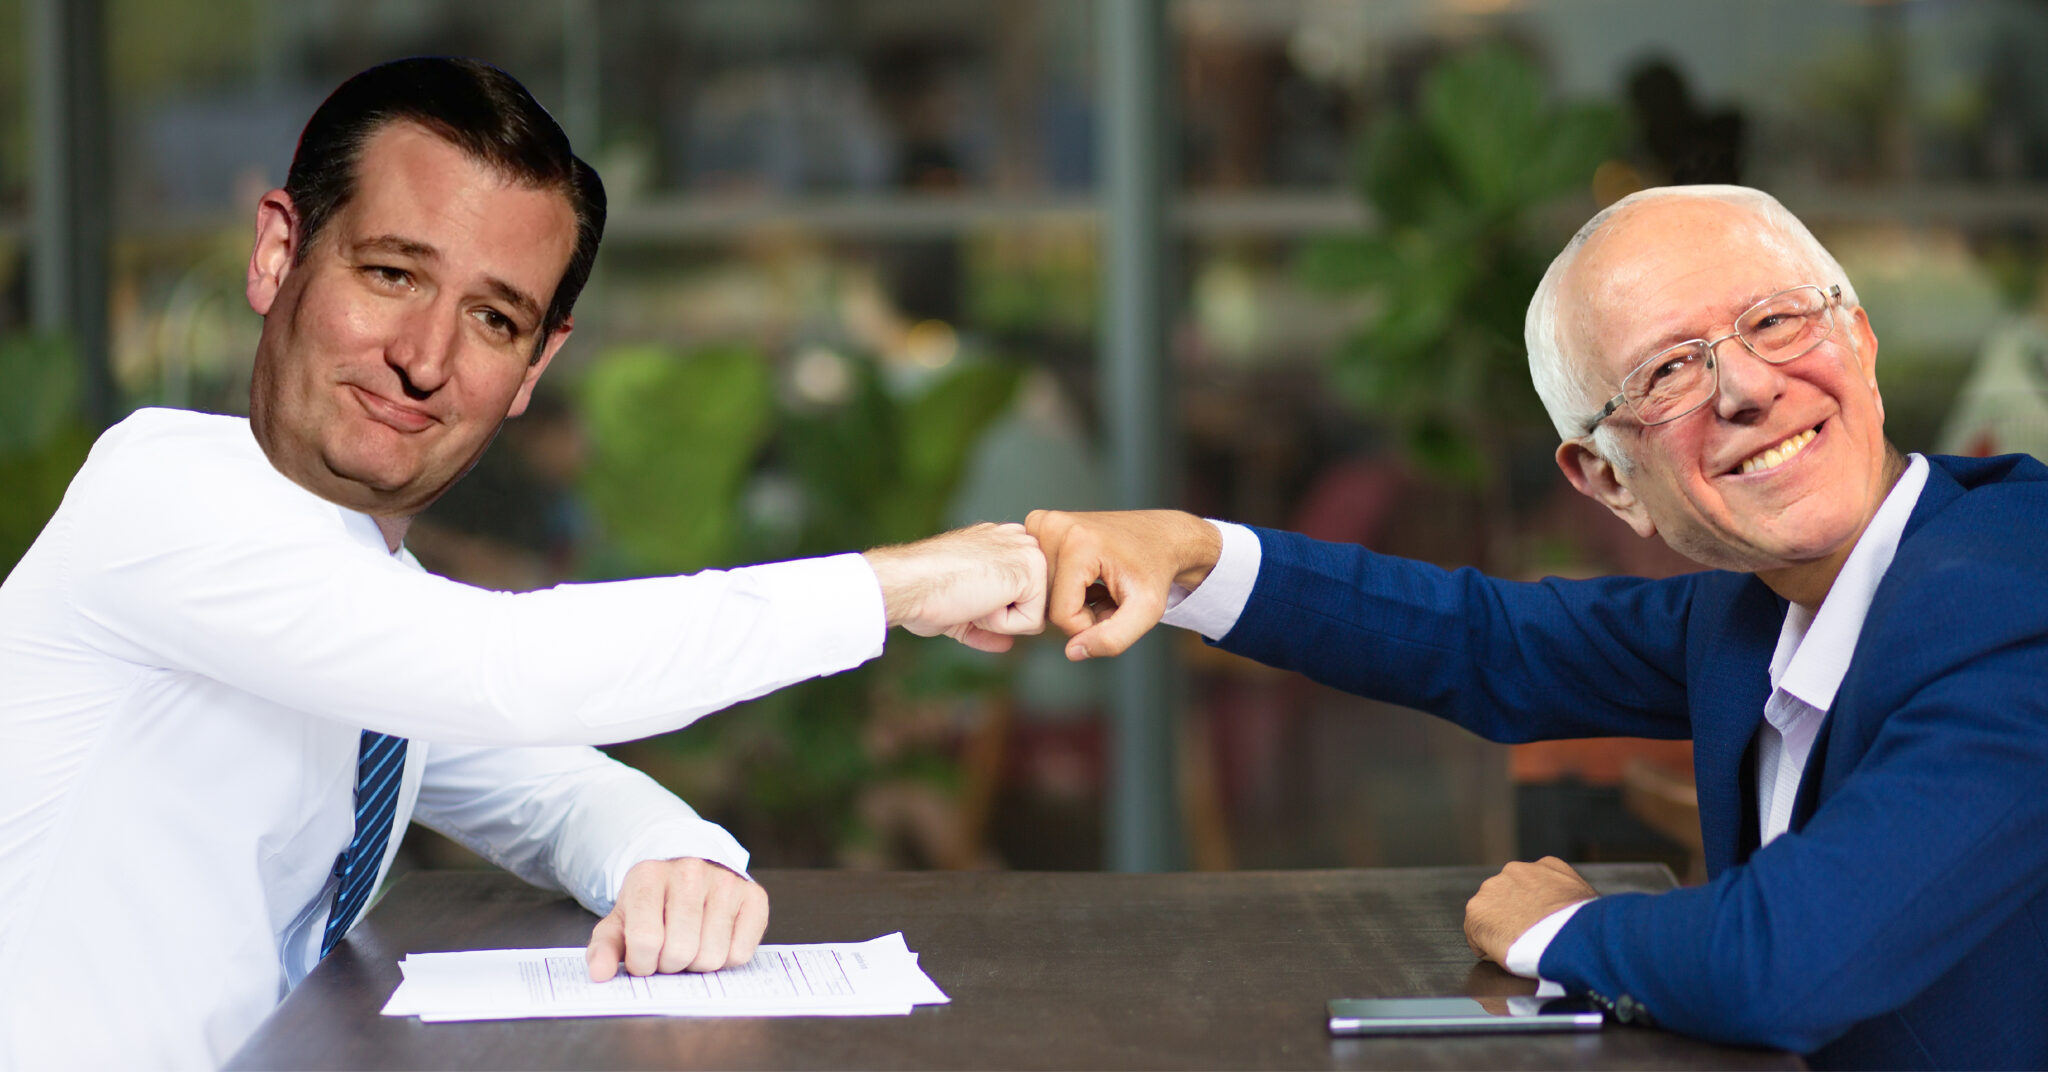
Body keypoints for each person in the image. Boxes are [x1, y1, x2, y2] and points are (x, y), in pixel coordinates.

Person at [0, 58, 1043, 1071]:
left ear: (536, 365)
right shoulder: (165, 501)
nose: (423, 358)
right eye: (391, 273)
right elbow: (508, 668)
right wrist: (902, 586)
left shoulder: (363, 603)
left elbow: (543, 784)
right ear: (277, 254)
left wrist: (665, 855)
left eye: (493, 319)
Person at [1027, 185, 2047, 1069]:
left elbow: (1788, 966)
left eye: (1776, 320)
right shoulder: (1757, 604)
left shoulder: (2011, 593)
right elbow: (1486, 641)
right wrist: (1189, 554)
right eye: (1667, 371)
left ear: (1859, 341)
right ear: (1607, 481)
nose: (1746, 387)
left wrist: (1559, 929)